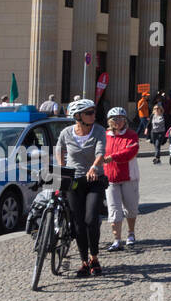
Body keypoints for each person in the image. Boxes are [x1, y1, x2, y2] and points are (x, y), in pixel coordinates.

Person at [56, 99, 109, 276]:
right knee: (77, 223)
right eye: (89, 113)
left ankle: (94, 257)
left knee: (90, 219)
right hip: (74, 181)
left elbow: (101, 152)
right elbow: (59, 149)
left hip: (94, 180)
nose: (93, 115)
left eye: (93, 112)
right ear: (78, 116)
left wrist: (94, 167)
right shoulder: (66, 133)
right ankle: (84, 261)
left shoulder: (99, 130)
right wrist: (61, 168)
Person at [102, 107, 139, 251]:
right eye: (115, 119)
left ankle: (131, 233)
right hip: (110, 178)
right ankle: (117, 239)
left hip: (129, 177)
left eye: (121, 119)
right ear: (110, 121)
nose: (118, 122)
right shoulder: (104, 135)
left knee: (131, 208)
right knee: (114, 210)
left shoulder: (131, 135)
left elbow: (130, 151)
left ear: (125, 120)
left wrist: (113, 157)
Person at [149, 99, 167, 164]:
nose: (156, 109)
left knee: (157, 145)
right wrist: (146, 129)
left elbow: (168, 123)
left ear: (160, 109)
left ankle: (157, 158)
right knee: (155, 145)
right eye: (155, 108)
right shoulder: (152, 115)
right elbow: (149, 123)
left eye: (158, 108)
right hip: (153, 132)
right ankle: (157, 157)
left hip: (161, 132)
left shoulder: (163, 115)